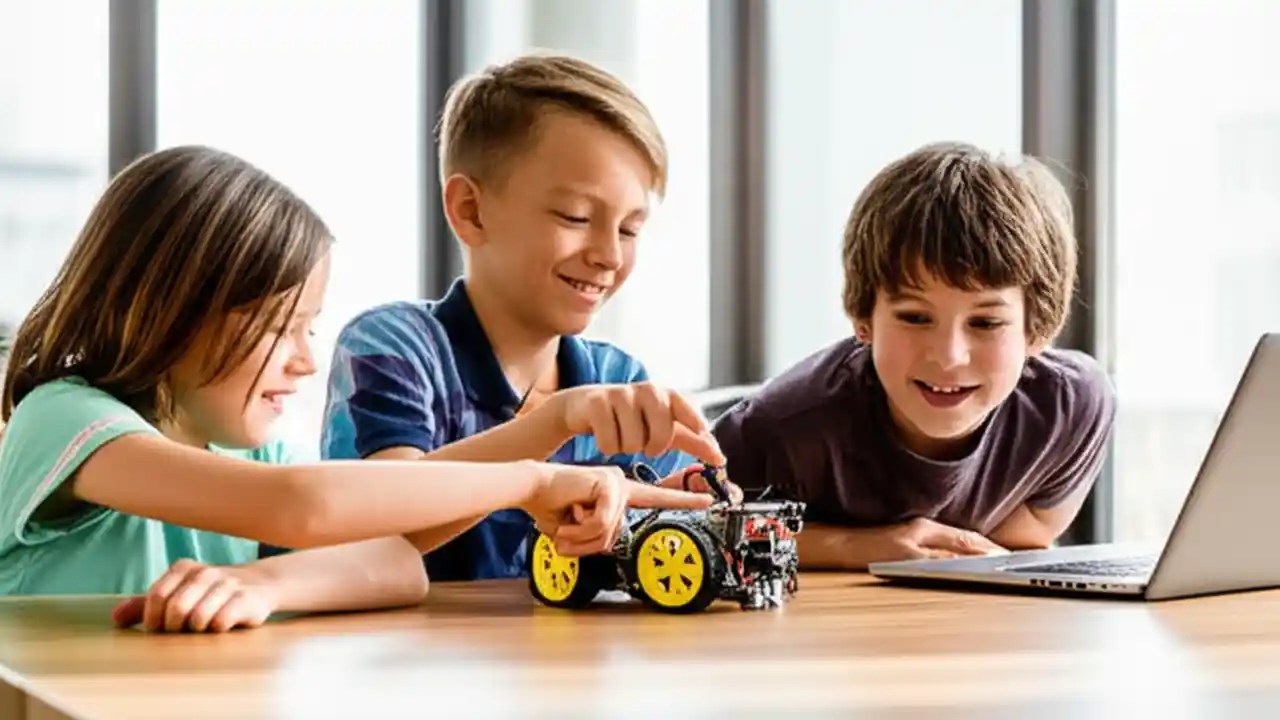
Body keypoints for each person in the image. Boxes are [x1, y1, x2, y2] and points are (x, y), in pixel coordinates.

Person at [0, 145, 712, 633]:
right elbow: (303, 508)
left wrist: (269, 586)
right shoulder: (63, 418)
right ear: (172, 308)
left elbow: (397, 560)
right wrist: (531, 479)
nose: (307, 361)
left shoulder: (251, 458)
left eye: (312, 328)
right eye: (284, 328)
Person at [317, 53, 733, 582]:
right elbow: (367, 532)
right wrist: (553, 424)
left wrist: (689, 511)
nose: (608, 254)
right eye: (576, 217)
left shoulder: (618, 380)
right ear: (470, 210)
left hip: (565, 661)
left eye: (629, 230)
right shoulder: (393, 346)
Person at [713, 142, 1116, 569]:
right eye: (915, 317)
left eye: (985, 323)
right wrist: (857, 547)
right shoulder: (777, 430)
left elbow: (1019, 538)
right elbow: (696, 532)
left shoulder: (1070, 405)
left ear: (1035, 329)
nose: (948, 357)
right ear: (863, 317)